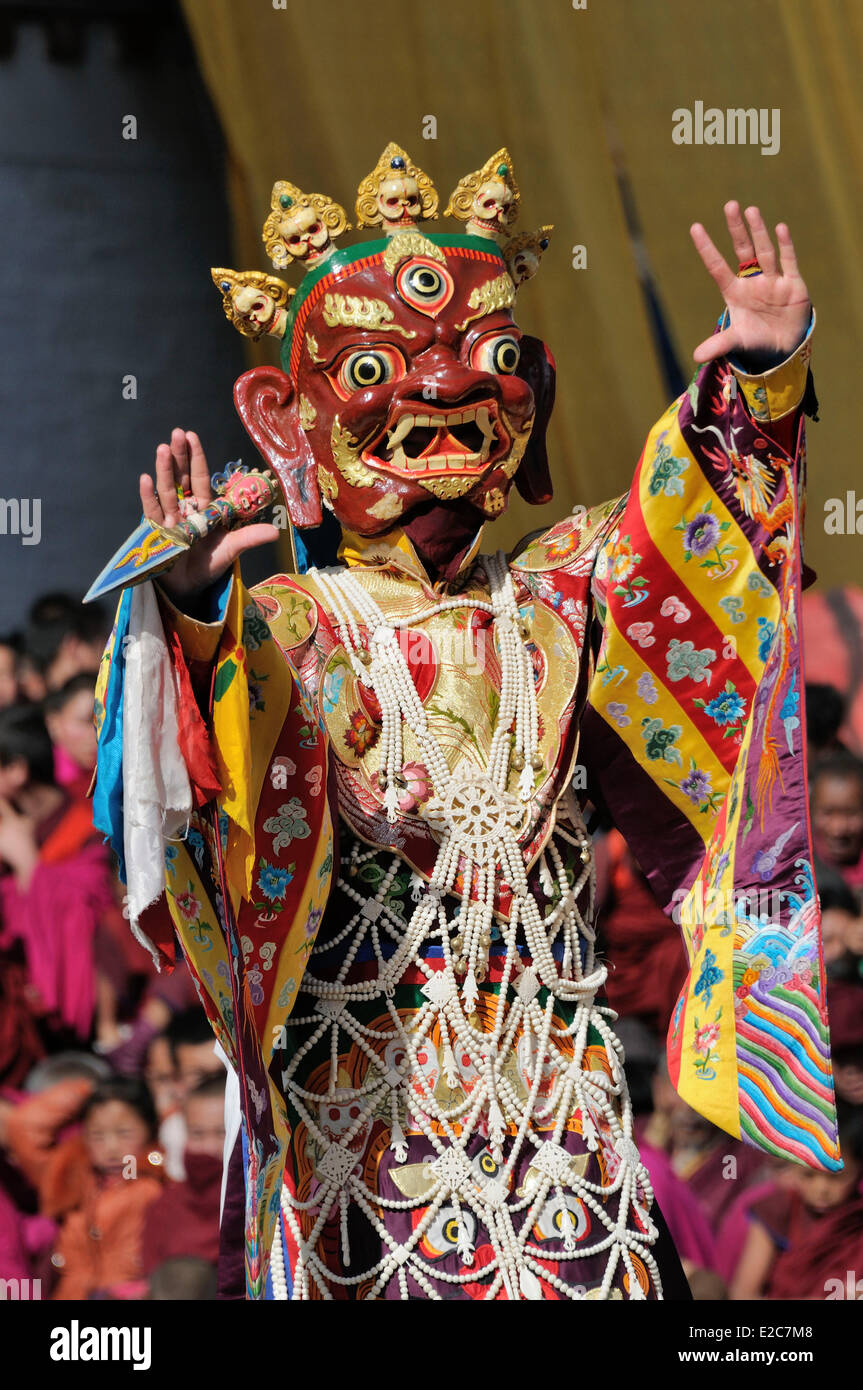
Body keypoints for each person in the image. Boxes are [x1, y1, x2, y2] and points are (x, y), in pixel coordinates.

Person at [94, 147, 838, 1301]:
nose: (441, 389)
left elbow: (694, 537)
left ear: (530, 393)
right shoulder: (286, 622)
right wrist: (190, 603)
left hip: (559, 1115)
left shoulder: (561, 585)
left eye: (485, 357)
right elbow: (207, 793)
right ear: (287, 424)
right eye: (378, 366)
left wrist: (755, 378)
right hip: (367, 1122)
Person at [0, 703, 114, 1050]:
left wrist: (29, 867)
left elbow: (91, 925)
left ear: (16, 770)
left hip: (76, 1031)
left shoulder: (87, 829)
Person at [5, 1074, 163, 1299]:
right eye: (97, 1135)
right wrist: (90, 1086)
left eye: (123, 1133)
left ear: (149, 1130)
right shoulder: (68, 1179)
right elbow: (24, 1126)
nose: (111, 1148)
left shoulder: (158, 1182)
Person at [729, 1107, 863, 1300]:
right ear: (792, 1166)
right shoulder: (778, 1209)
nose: (821, 1190)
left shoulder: (856, 1219)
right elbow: (744, 1292)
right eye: (808, 1175)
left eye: (836, 1178)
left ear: (858, 1170)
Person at [141, 1074, 225, 1277]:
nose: (209, 1146)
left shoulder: (256, 1204)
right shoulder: (166, 1205)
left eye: (222, 1133)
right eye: (197, 1134)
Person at [810, 752, 863, 897]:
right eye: (827, 813)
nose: (838, 829)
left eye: (851, 813)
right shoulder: (793, 869)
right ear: (811, 811)